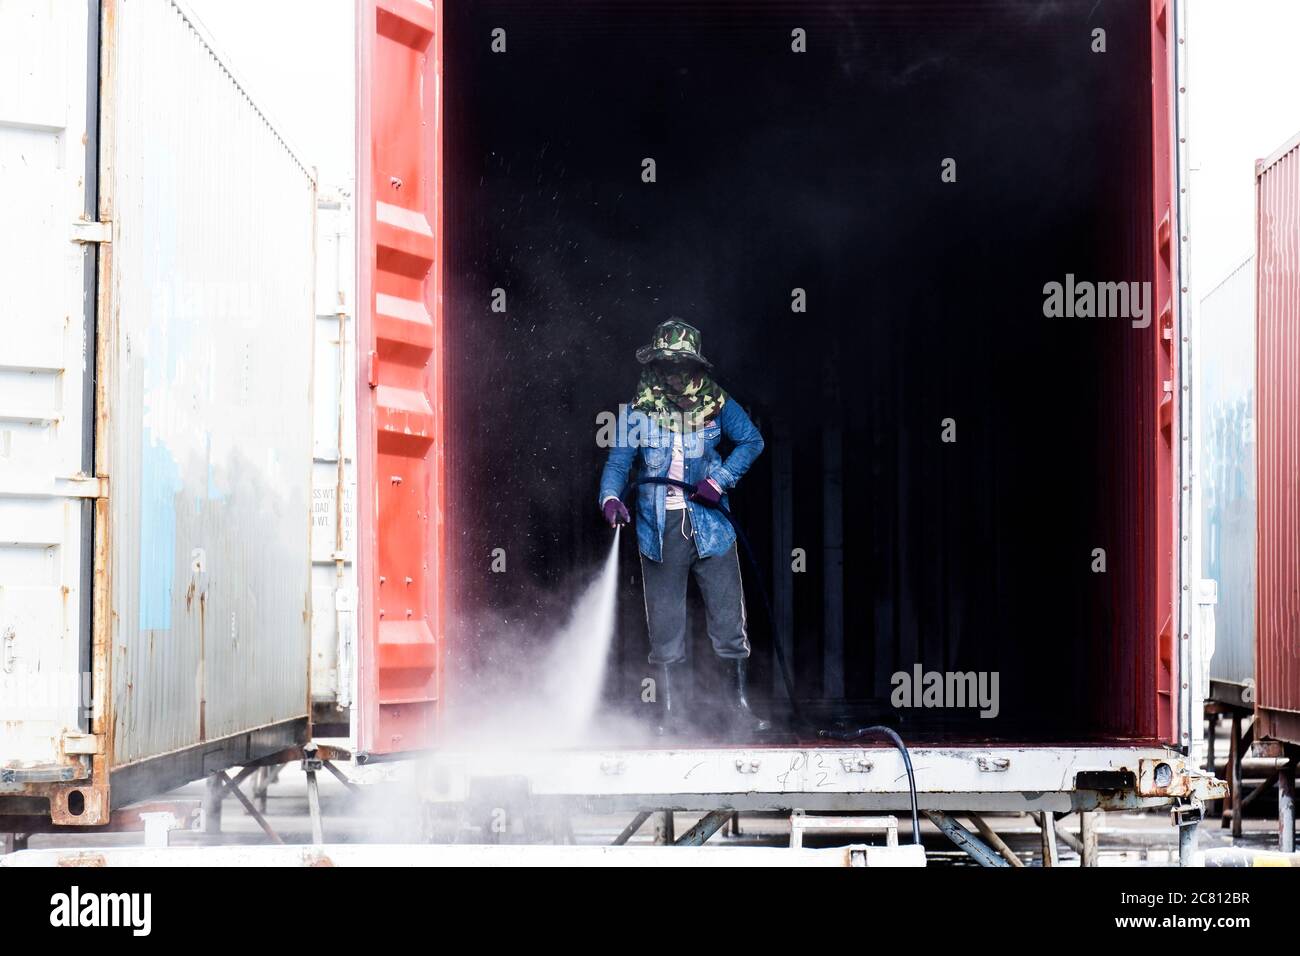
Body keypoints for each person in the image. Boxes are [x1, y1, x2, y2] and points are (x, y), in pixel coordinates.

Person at [598, 319, 769, 736]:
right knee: (666, 624)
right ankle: (670, 715)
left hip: (711, 527)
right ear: (655, 366)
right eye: (666, 364)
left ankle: (738, 707)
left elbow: (752, 441)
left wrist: (720, 480)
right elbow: (619, 464)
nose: (674, 373)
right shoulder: (638, 411)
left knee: (729, 620)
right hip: (659, 530)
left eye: (682, 365)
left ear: (696, 368)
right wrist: (610, 498)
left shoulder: (717, 403)